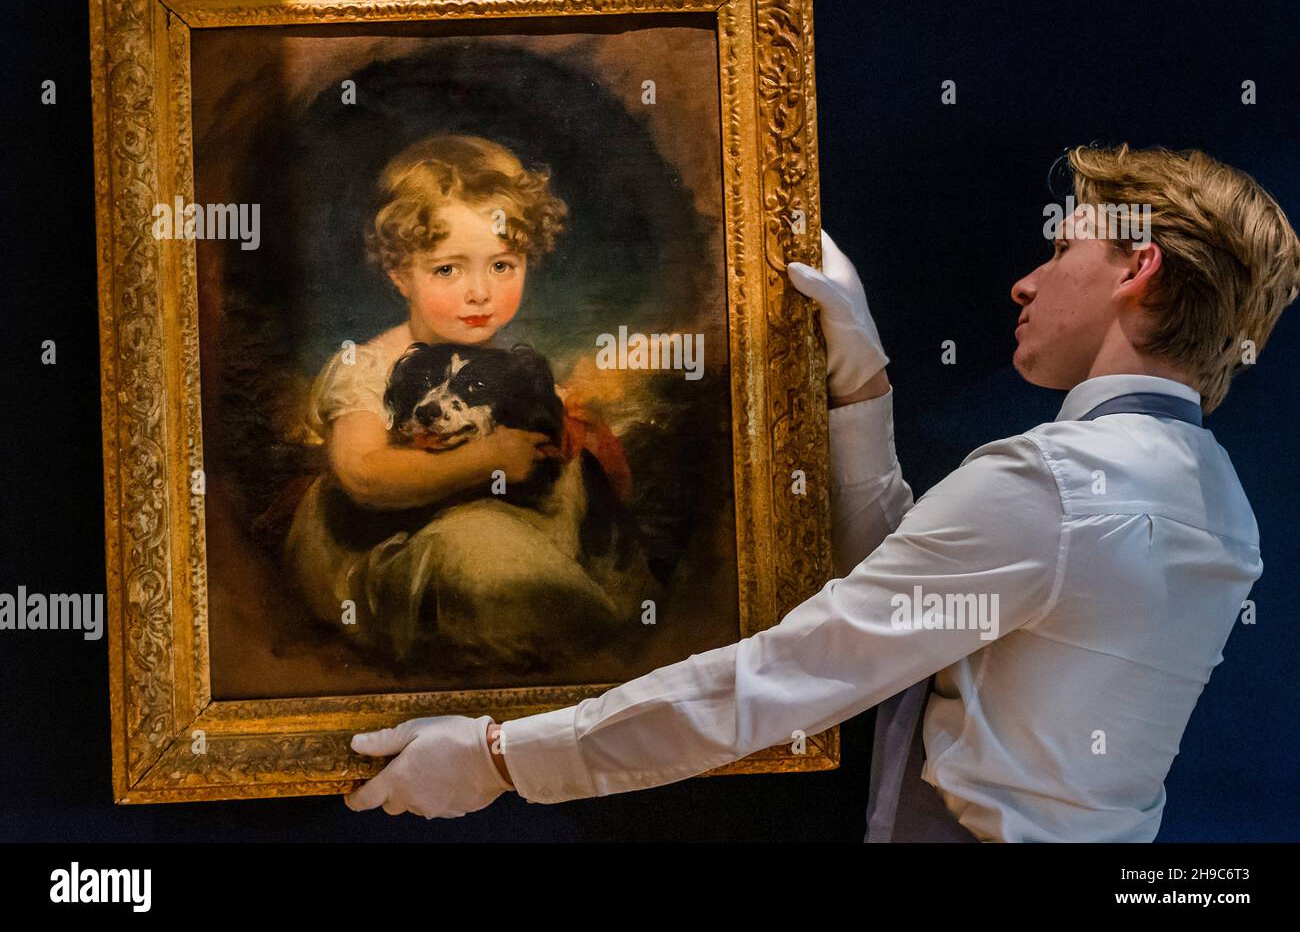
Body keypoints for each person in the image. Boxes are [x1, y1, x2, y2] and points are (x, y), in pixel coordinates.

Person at [343, 143, 1300, 842]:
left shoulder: (1054, 484)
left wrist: (500, 757)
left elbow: (789, 676)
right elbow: (916, 602)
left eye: (1060, 252)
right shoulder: (1216, 500)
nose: (1025, 281)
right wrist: (864, 386)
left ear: (1138, 270)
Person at [285, 133, 648, 665]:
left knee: (578, 497)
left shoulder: (505, 367)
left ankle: (610, 624)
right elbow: (363, 474)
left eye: (501, 265)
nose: (479, 292)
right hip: (380, 552)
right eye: (448, 269)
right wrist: (487, 457)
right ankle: (584, 632)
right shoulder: (365, 366)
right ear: (399, 276)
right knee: (476, 548)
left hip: (482, 521)